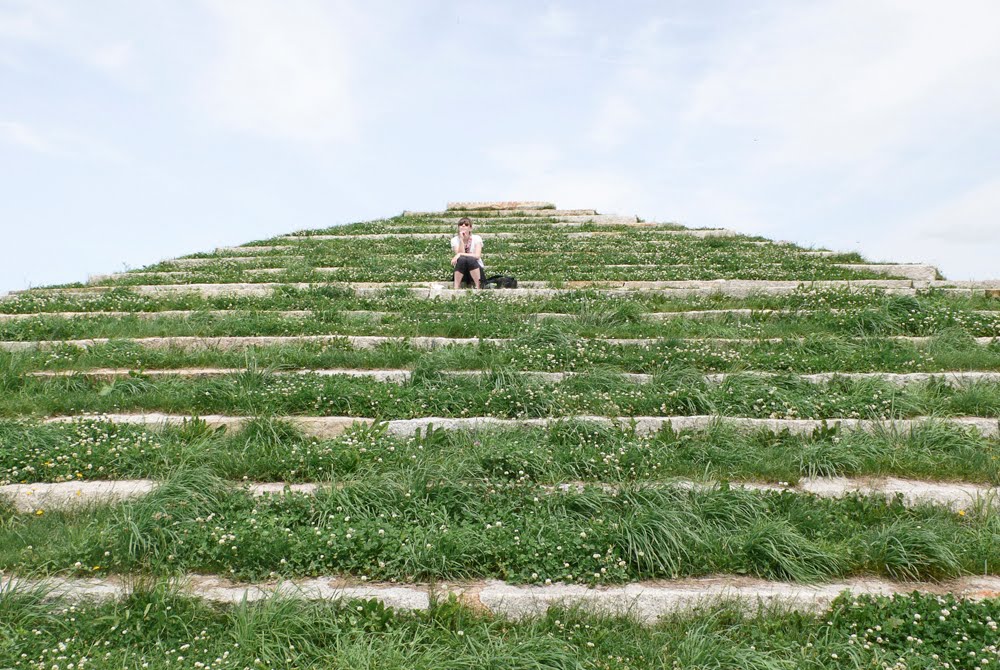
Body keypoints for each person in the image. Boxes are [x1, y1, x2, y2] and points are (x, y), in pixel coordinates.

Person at [450, 217, 484, 289]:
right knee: (462, 259)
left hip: (476, 269)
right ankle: (456, 287)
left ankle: (478, 286)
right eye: (461, 224)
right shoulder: (454, 240)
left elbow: (477, 256)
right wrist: (461, 240)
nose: (463, 226)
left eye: (466, 224)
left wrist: (459, 254)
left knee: (470, 259)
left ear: (470, 228)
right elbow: (460, 255)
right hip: (462, 271)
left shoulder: (477, 238)